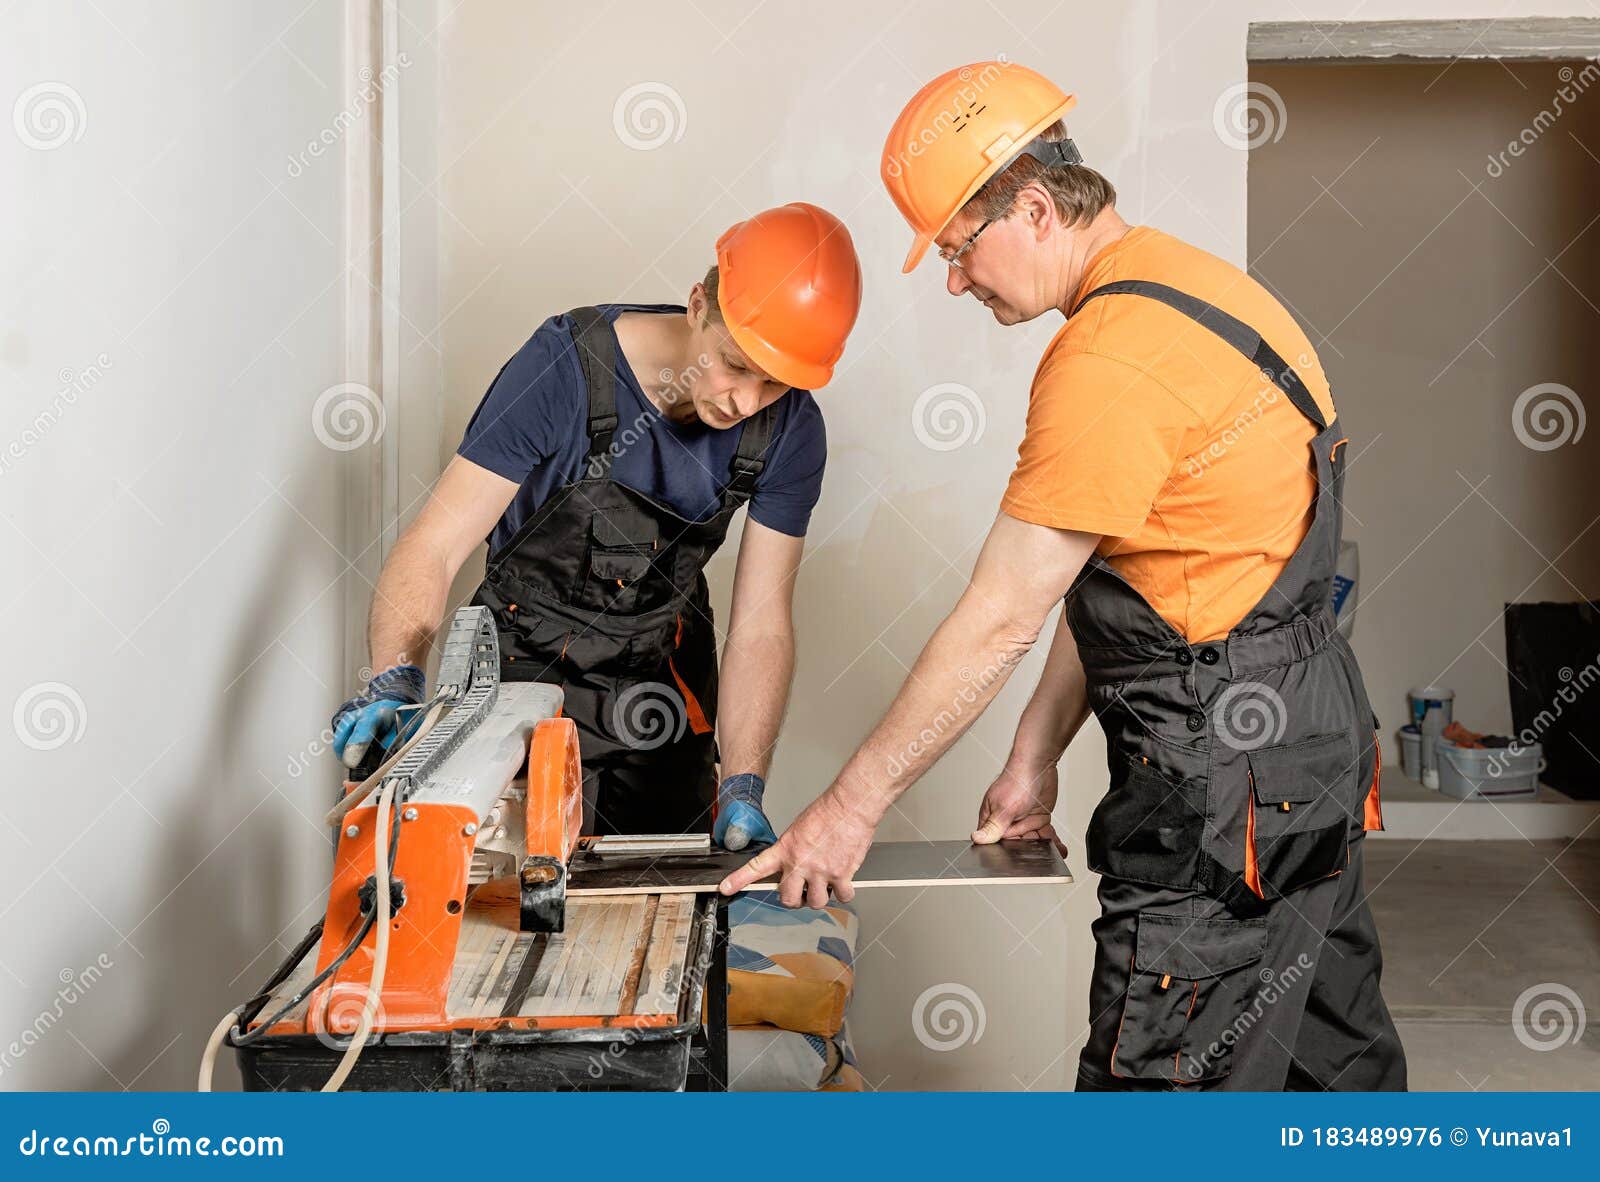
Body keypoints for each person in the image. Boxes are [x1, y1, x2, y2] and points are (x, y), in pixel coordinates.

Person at [721, 63, 1407, 1092]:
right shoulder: (1203, 286)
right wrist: (1035, 754)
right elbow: (1140, 576)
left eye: (958, 252)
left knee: (1155, 1092)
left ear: (1034, 209)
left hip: (1219, 795)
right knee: (1328, 1074)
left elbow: (1001, 615)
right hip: (1302, 757)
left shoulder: (1109, 360)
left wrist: (847, 809)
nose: (956, 282)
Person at [332, 202, 863, 847]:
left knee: (665, 916)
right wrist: (396, 680)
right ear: (698, 306)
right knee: (490, 887)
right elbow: (435, 548)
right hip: (519, 684)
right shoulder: (563, 368)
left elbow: (761, 623)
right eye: (734, 363)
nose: (744, 401)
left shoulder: (791, 433)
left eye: (774, 382)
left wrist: (743, 782)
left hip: (661, 692)